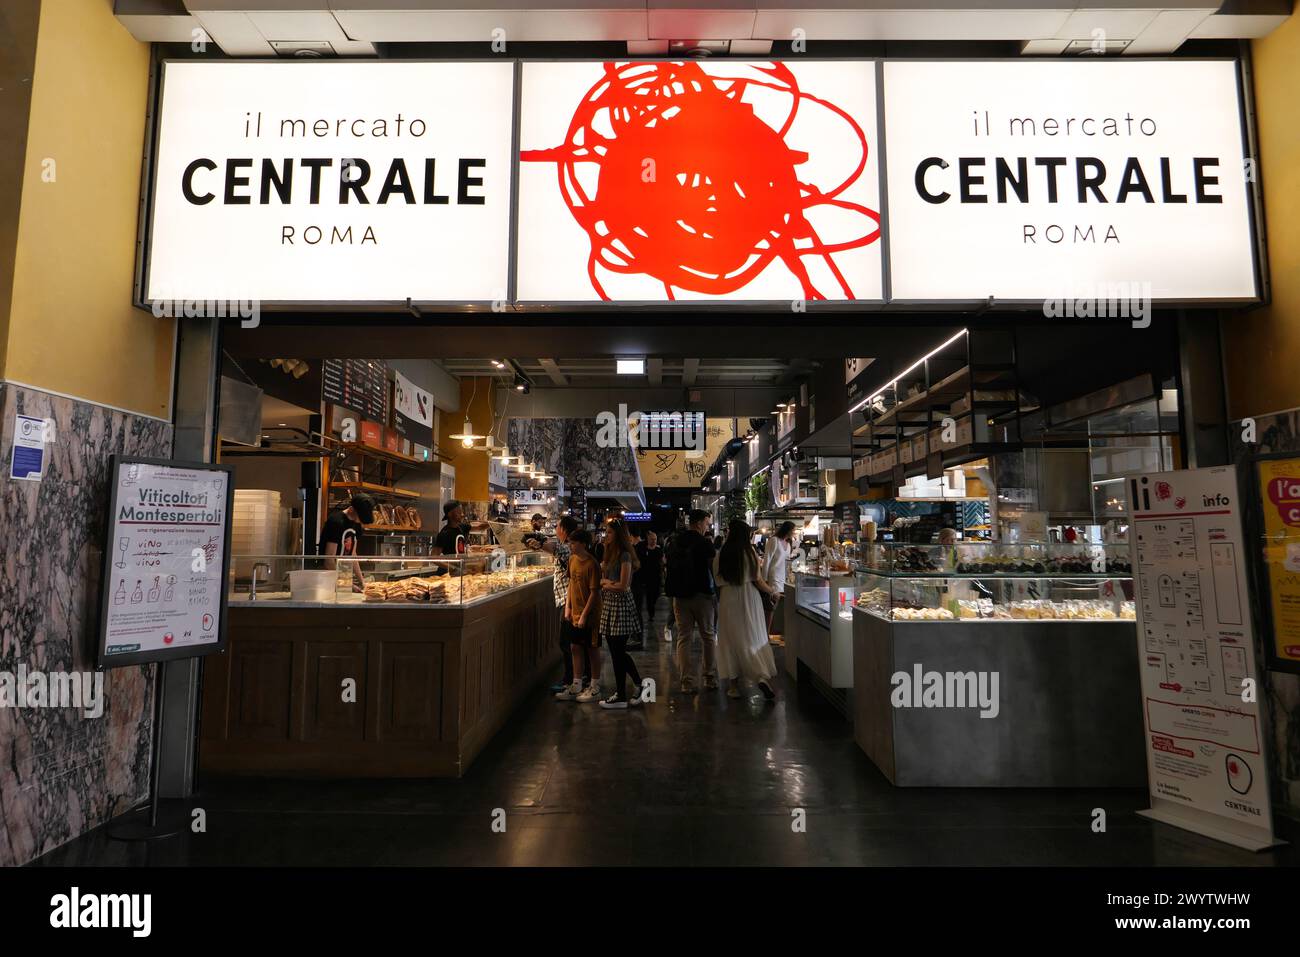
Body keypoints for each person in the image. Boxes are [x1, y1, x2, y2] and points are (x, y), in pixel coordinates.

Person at [714, 519, 779, 701]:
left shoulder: (721, 554)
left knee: (730, 640)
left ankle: (733, 687)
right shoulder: (749, 552)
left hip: (728, 598)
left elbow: (717, 581)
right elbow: (757, 580)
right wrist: (772, 591)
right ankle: (760, 676)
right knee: (752, 636)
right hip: (749, 597)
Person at [665, 509, 718, 693]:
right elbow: (713, 570)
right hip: (702, 596)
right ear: (699, 523)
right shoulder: (705, 543)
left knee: (683, 637)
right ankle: (709, 678)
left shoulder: (676, 541)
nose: (707, 526)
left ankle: (686, 682)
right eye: (707, 523)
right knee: (708, 636)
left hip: (680, 597)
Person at [538, 515, 590, 695]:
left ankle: (571, 679)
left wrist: (537, 541)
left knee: (567, 642)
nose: (555, 528)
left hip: (569, 602)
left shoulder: (567, 548)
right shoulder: (569, 549)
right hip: (568, 600)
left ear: (564, 530)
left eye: (557, 526)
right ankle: (580, 677)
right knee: (573, 642)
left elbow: (553, 548)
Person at [597, 517, 645, 709]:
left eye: (609, 532)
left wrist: (607, 584)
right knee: (616, 651)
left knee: (618, 652)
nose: (605, 535)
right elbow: (606, 581)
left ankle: (626, 691)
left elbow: (624, 585)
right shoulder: (609, 554)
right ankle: (625, 691)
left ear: (618, 534)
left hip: (621, 605)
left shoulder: (625, 555)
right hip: (610, 604)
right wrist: (608, 583)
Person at [555, 529, 603, 702]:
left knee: (592, 649)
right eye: (569, 542)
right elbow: (570, 585)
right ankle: (576, 684)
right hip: (574, 613)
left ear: (583, 544)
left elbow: (594, 593)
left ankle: (595, 685)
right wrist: (568, 607)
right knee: (574, 647)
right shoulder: (572, 559)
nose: (570, 546)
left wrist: (584, 615)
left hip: (590, 616)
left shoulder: (592, 564)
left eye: (573, 543)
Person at [319, 492, 376, 591]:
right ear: (352, 509)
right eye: (359, 517)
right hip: (327, 580)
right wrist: (347, 584)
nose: (359, 521)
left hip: (343, 578)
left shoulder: (357, 525)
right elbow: (328, 561)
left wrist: (362, 582)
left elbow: (353, 554)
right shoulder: (336, 522)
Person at [761, 520, 795, 633]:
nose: (794, 533)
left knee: (777, 607)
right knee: (771, 607)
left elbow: (787, 563)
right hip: (773, 577)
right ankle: (766, 633)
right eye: (793, 530)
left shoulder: (789, 544)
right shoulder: (774, 541)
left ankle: (773, 632)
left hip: (783, 578)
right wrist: (764, 580)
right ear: (788, 530)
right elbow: (767, 561)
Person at [635, 530, 664, 626]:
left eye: (655, 539)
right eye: (652, 539)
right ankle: (651, 613)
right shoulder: (643, 549)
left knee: (656, 594)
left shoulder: (659, 550)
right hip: (646, 577)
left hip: (656, 577)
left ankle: (652, 607)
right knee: (649, 596)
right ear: (648, 539)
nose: (654, 541)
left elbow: (662, 561)